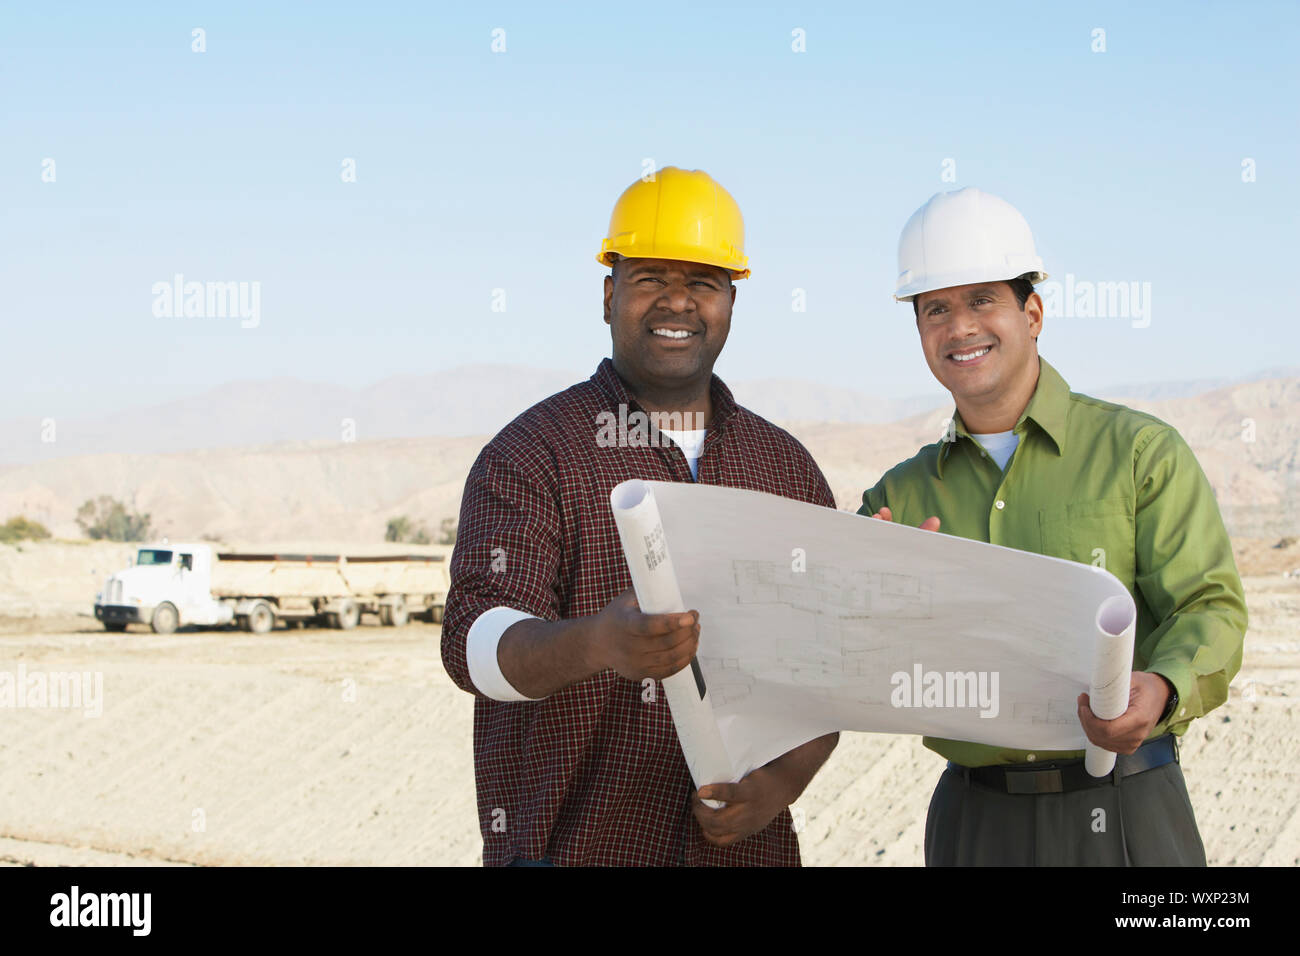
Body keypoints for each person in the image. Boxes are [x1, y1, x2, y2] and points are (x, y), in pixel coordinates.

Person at [441, 167, 839, 866]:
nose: (677, 301)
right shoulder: (533, 454)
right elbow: (474, 644)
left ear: (732, 300)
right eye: (651, 277)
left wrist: (780, 782)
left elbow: (824, 671)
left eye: (704, 281)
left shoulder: (785, 470)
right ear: (608, 294)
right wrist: (598, 643)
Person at [860, 187, 1247, 866]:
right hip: (974, 823)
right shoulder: (897, 498)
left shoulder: (1139, 453)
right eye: (936, 309)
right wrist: (882, 606)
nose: (959, 328)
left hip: (1128, 810)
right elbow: (851, 649)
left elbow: (1208, 608)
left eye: (982, 299)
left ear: (1031, 312)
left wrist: (1159, 690)